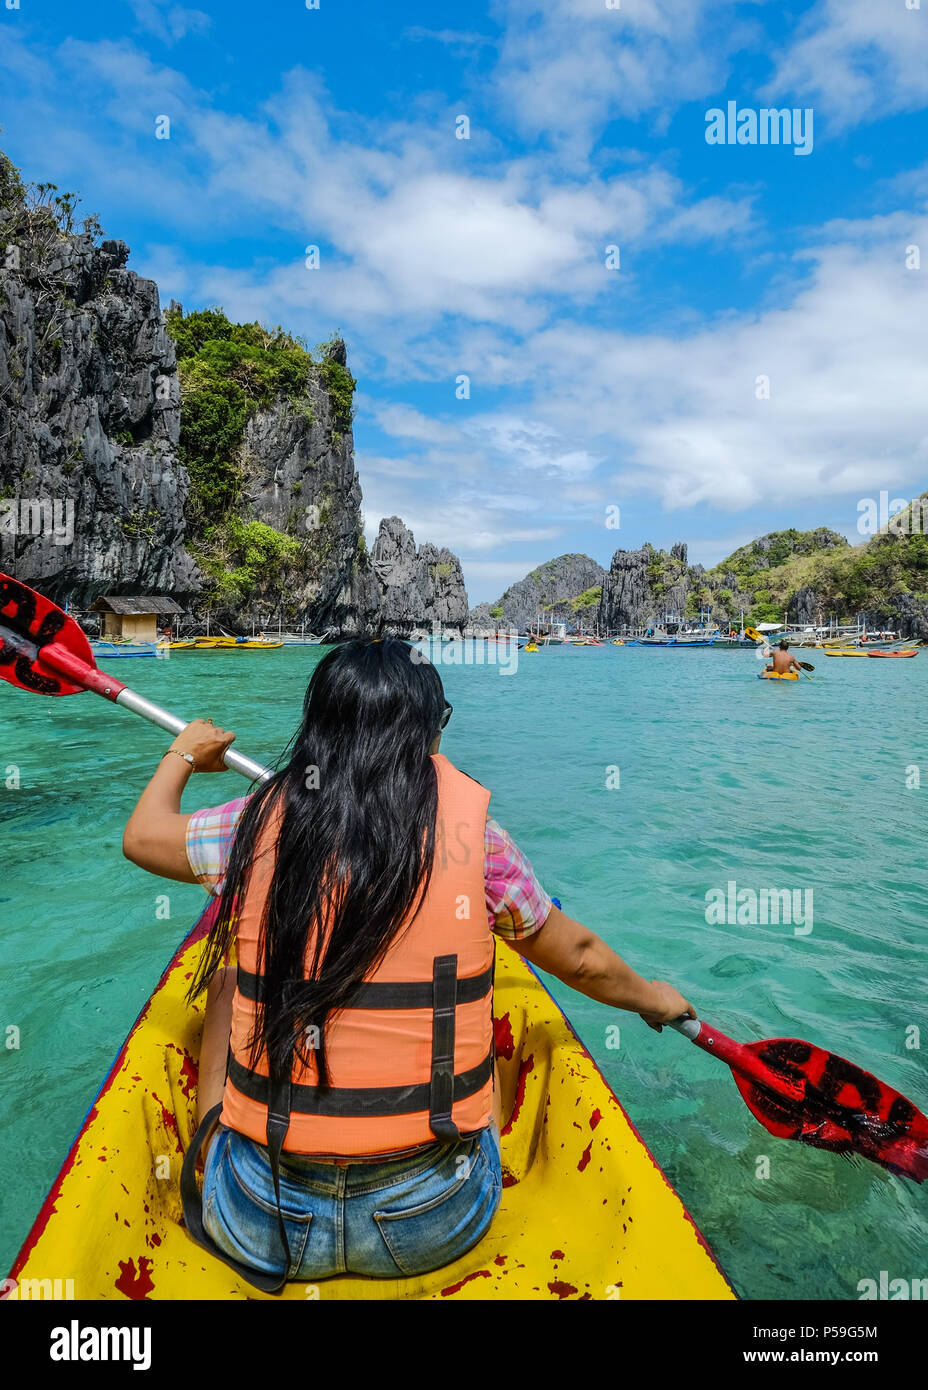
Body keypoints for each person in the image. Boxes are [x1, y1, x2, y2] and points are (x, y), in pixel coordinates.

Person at [122, 638, 694, 1287]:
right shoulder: (479, 842)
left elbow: (142, 837)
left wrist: (186, 756)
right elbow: (583, 960)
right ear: (429, 729)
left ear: (318, 724)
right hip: (431, 1220)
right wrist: (654, 999)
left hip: (264, 1219)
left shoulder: (251, 823)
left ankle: (213, 1149)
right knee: (480, 989)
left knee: (225, 980)